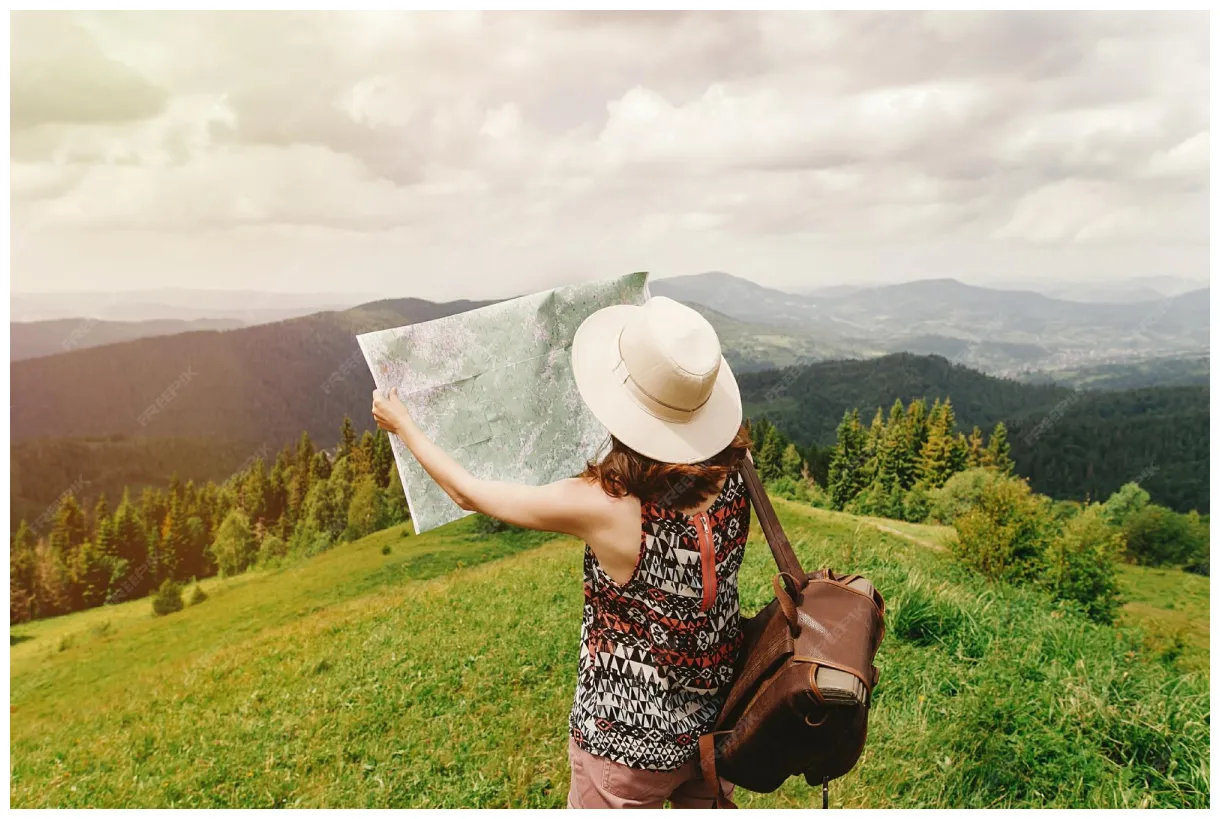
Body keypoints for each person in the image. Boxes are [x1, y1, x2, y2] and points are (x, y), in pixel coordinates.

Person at [372, 296, 751, 809]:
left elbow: (469, 493)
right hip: (717, 725)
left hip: (625, 741)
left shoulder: (607, 506)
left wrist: (405, 426)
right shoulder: (737, 471)